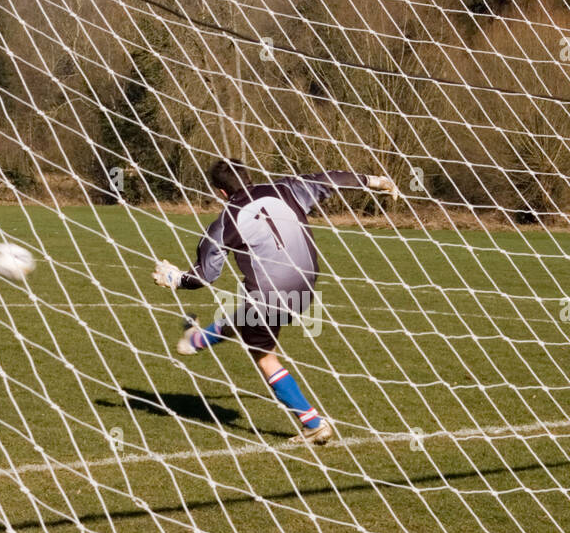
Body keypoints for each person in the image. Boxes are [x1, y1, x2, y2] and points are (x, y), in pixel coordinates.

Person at [152, 159, 397, 445]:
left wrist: (176, 278)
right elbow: (332, 179)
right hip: (306, 287)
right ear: (248, 177)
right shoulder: (287, 188)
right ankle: (196, 341)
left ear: (220, 192)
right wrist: (375, 181)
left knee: (264, 355)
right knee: (246, 318)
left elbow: (204, 277)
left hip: (269, 295)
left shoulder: (225, 221)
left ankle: (314, 424)